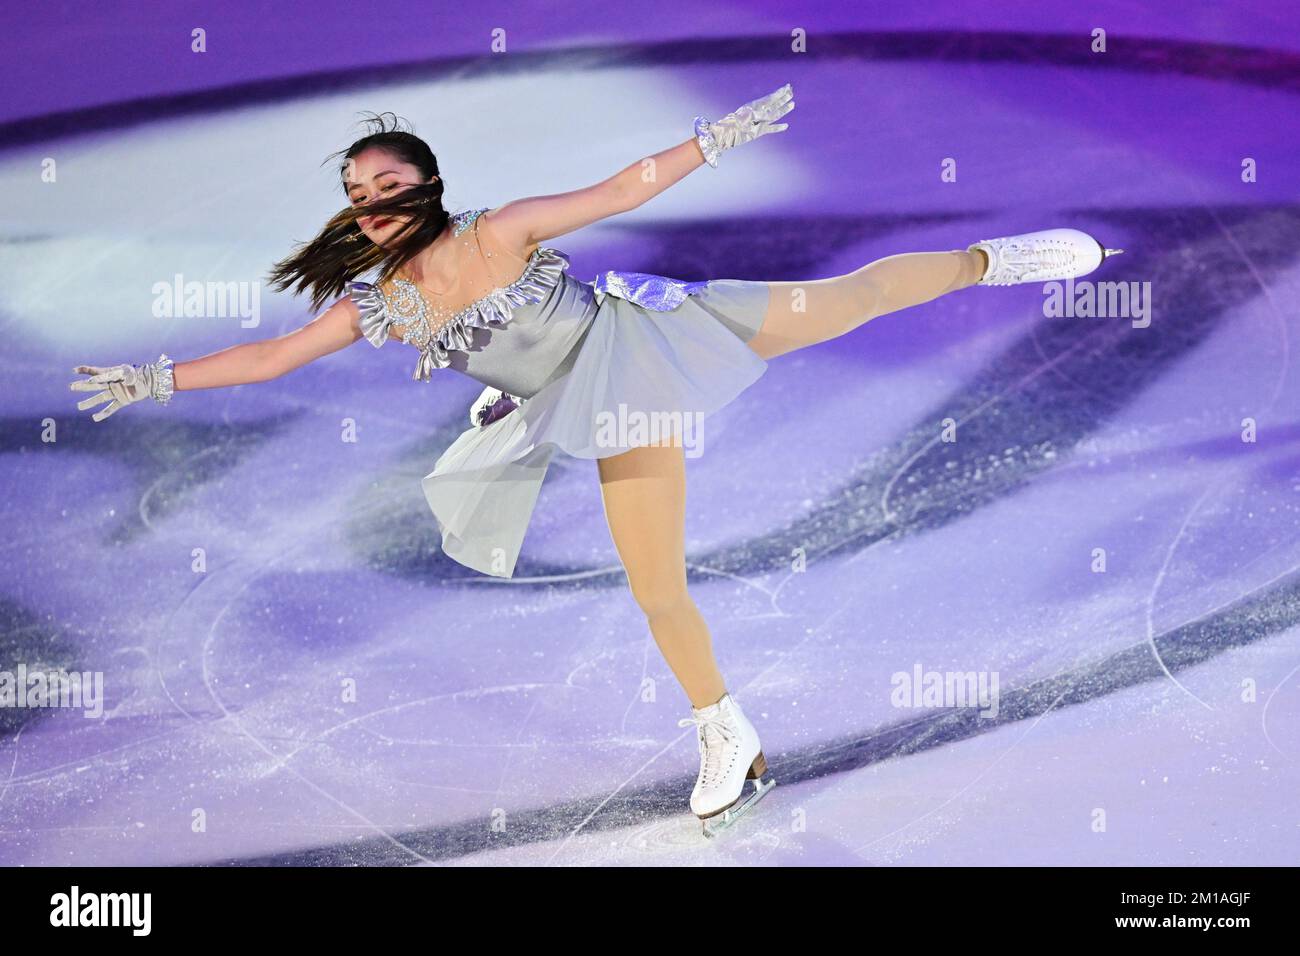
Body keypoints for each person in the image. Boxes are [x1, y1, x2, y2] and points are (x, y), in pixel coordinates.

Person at [69, 83, 1121, 832]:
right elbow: (271, 354)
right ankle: (726, 729)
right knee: (656, 585)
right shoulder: (381, 302)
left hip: (646, 338)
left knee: (849, 300)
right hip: (592, 403)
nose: (371, 192)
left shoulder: (499, 231)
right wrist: (160, 378)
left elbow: (617, 191)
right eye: (357, 184)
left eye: (388, 175)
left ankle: (991, 260)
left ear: (429, 182)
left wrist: (707, 145)